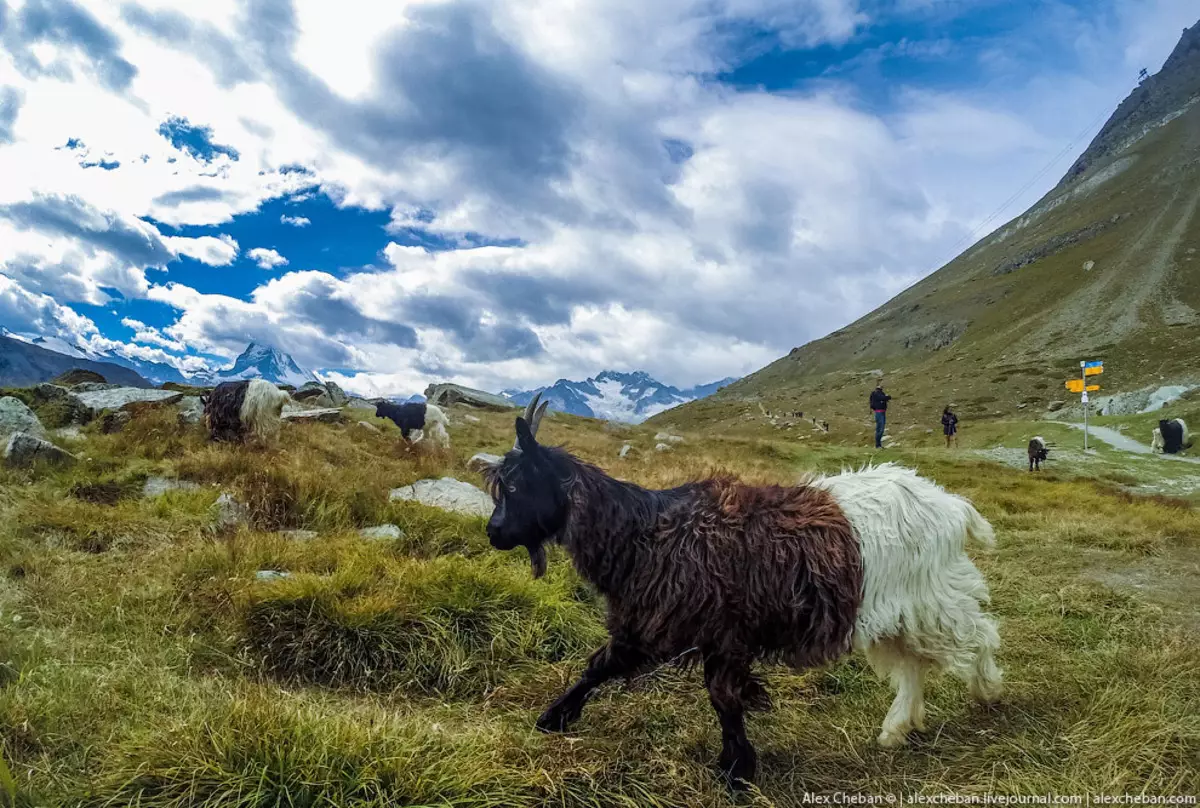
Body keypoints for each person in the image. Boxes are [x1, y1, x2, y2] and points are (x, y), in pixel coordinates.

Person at [869, 383, 890, 449]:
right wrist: (887, 397)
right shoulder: (877, 393)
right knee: (881, 429)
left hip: (880, 412)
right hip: (880, 413)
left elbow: (883, 398)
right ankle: (878, 445)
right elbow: (883, 398)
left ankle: (878, 445)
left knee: (879, 429)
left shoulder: (877, 393)